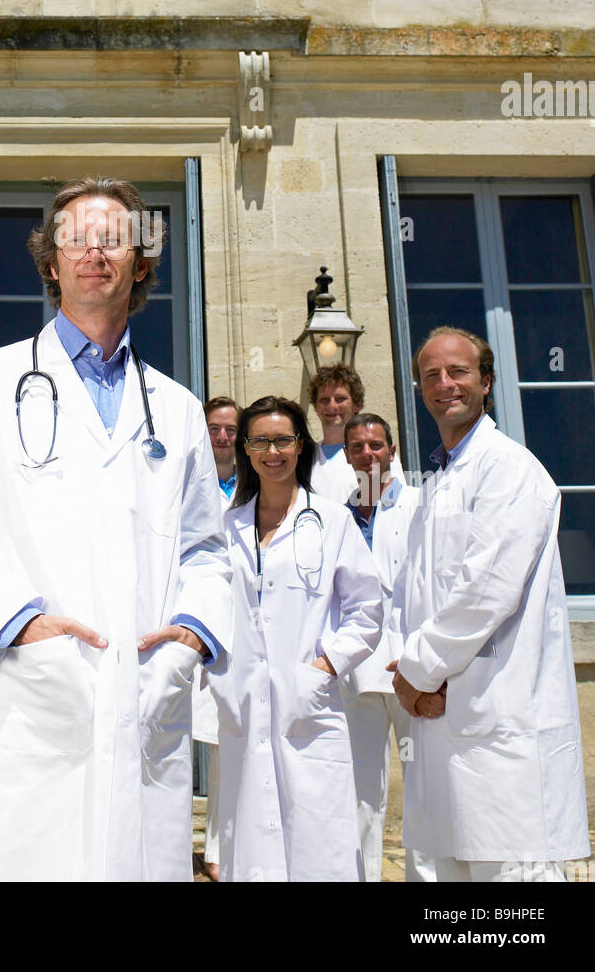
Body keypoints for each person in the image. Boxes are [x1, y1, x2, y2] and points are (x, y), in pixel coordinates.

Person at [0, 176, 232, 882]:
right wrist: (16, 623)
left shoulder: (175, 408)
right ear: (51, 262)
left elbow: (205, 548)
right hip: (34, 695)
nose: (93, 251)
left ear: (140, 263)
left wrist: (190, 636)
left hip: (146, 695)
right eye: (75, 238)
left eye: (113, 238)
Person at [390, 327, 590, 882]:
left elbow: (484, 593)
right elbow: (413, 595)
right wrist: (416, 677)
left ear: (487, 382)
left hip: (501, 724)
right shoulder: (438, 484)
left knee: (513, 897)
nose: (444, 384)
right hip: (444, 722)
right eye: (430, 375)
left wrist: (415, 671)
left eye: (458, 372)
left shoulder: (510, 470)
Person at [209, 395, 383, 882]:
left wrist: (325, 668)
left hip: (309, 703)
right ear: (245, 450)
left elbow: (367, 610)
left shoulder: (332, 520)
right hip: (244, 702)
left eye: (283, 440)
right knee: (250, 840)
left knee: (317, 841)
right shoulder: (226, 528)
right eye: (260, 440)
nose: (272, 451)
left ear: (300, 446)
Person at [340, 412, 431, 883]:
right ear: (348, 454)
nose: (367, 454)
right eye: (357, 447)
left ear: (392, 452)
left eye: (376, 445)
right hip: (356, 673)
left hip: (412, 669)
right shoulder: (337, 514)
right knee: (359, 792)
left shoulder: (422, 505)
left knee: (422, 788)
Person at [194, 395, 241, 882]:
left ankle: (222, 847)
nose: (223, 437)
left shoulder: (251, 487)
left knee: (232, 738)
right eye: (214, 428)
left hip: (240, 624)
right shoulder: (192, 481)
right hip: (193, 618)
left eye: (230, 429)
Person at [308, 363, 365, 502]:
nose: (332, 406)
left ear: (357, 405)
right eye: (324, 400)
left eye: (340, 399)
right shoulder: (305, 459)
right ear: (315, 407)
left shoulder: (375, 453)